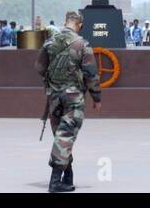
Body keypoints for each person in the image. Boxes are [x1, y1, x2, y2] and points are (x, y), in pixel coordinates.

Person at [34, 10, 102, 193]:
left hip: (54, 98)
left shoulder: (49, 42)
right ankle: (55, 182)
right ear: (79, 25)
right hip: (73, 99)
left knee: (62, 136)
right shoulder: (82, 44)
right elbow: (91, 74)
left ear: (66, 22)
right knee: (65, 136)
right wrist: (97, 97)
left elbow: (39, 67)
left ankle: (68, 176)